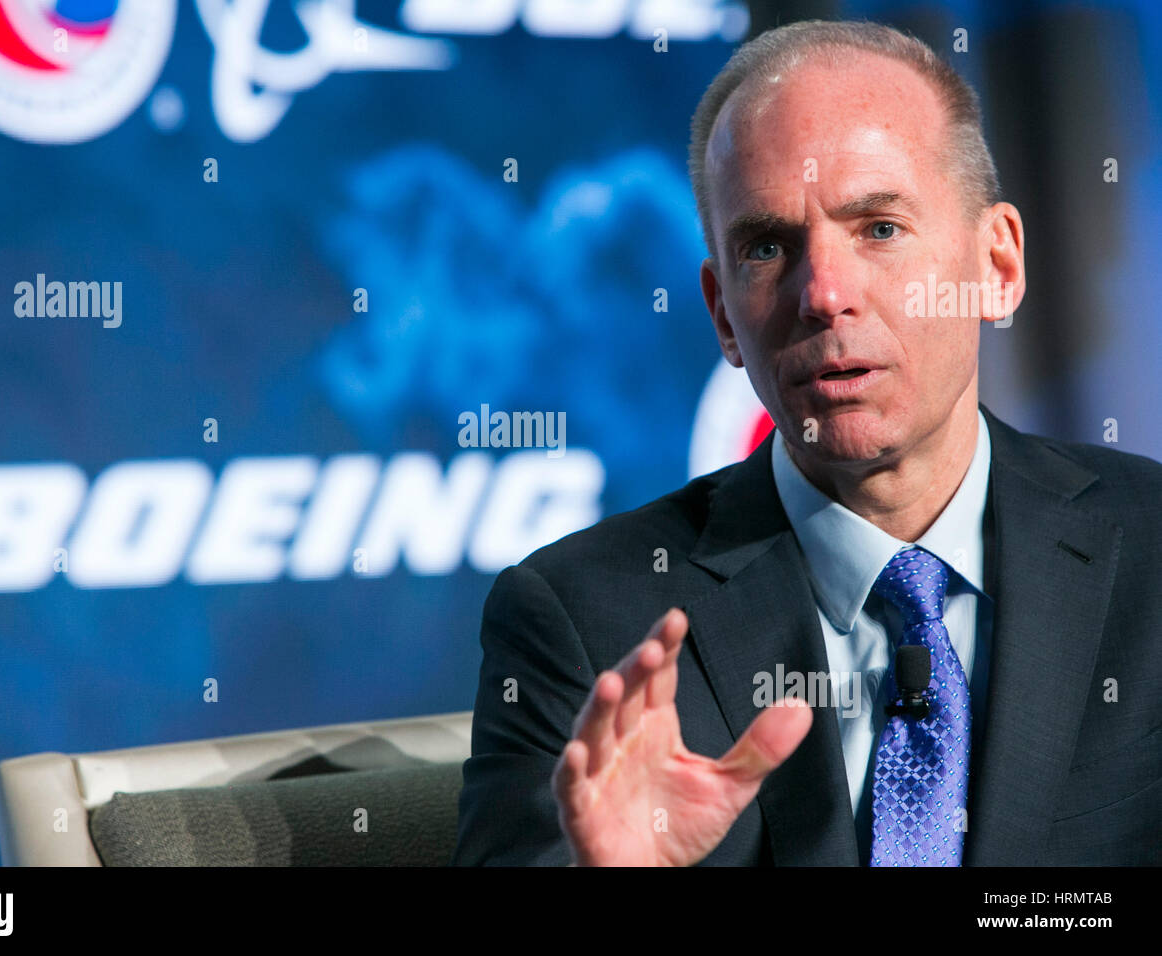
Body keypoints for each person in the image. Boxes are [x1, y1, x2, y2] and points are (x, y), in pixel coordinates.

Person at [451, 19, 1162, 866]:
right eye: (767, 247)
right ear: (722, 313)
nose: (824, 293)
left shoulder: (1150, 551)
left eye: (879, 228)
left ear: (996, 264)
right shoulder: (582, 624)